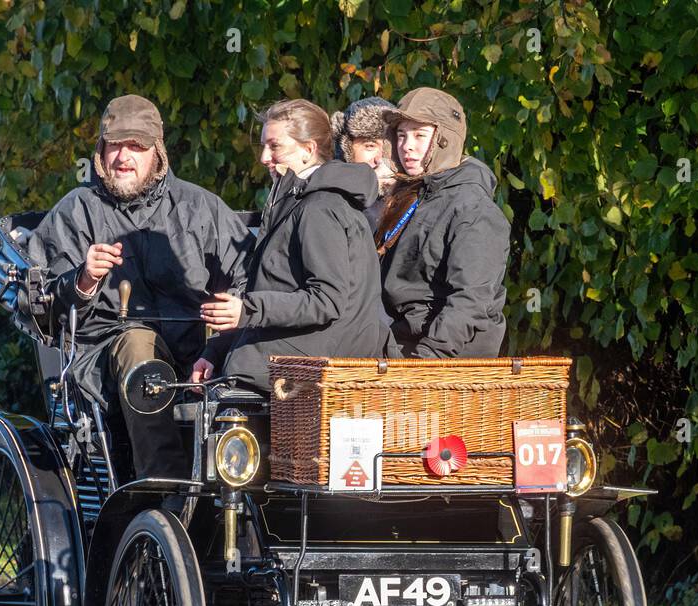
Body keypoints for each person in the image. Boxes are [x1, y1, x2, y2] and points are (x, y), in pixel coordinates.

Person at [24, 94, 252, 479]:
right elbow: (36, 310)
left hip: (195, 359)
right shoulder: (76, 211)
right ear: (100, 152)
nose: (123, 157)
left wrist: (217, 347)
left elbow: (250, 279)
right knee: (136, 341)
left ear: (157, 153)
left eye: (136, 146)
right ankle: (164, 491)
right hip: (100, 363)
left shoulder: (200, 207)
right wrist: (82, 280)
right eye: (114, 146)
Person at [192, 99, 386, 392]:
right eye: (263, 146)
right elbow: (276, 296)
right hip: (298, 358)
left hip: (319, 374)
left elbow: (327, 301)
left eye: (275, 146)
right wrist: (216, 352)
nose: (264, 158)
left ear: (309, 149)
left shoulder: (321, 207)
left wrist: (247, 310)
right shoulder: (300, 202)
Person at [375, 87, 511, 359]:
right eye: (401, 135)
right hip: (397, 347)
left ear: (444, 141)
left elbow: (470, 300)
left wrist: (427, 362)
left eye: (419, 135)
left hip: (444, 362)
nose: (406, 146)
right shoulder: (412, 195)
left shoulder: (473, 208)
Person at [330, 96, 397, 232]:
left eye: (388, 146)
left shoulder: (415, 200)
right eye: (370, 146)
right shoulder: (329, 205)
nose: (380, 158)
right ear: (346, 150)